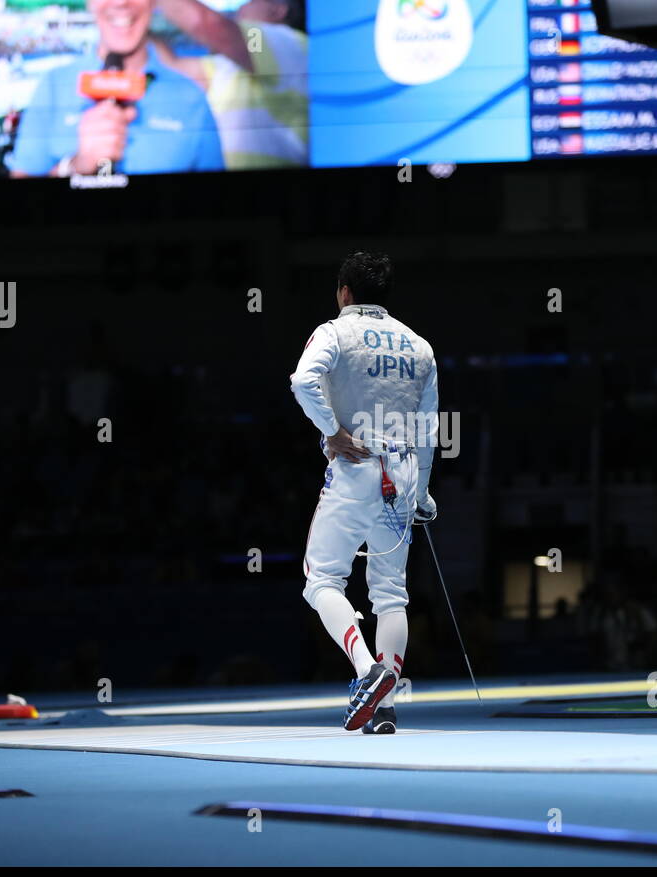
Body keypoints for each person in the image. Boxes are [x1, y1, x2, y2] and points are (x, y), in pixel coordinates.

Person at [289, 252, 438, 732]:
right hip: (403, 473)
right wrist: (423, 493)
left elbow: (302, 381)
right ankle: (386, 705)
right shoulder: (419, 345)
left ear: (344, 292)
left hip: (355, 464)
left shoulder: (334, 332)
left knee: (322, 580)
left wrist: (331, 431)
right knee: (391, 595)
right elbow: (428, 428)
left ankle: (366, 673)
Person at [8, 0, 223, 178]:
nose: (121, 2)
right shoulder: (53, 86)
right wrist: (75, 167)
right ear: (89, 3)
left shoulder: (191, 98)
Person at [155, 0, 308, 169]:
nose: (241, 7)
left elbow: (209, 24)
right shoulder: (229, 65)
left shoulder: (287, 44)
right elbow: (171, 65)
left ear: (277, 11)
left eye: (252, 1)